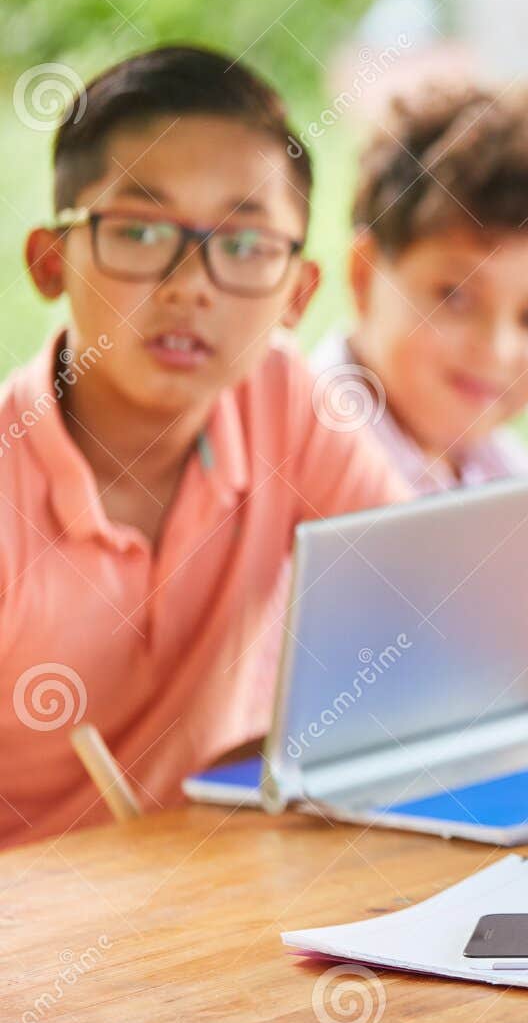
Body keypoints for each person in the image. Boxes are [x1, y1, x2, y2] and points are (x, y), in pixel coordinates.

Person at [0, 46, 408, 849]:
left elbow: (427, 611)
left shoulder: (285, 405)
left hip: (225, 880)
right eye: (140, 230)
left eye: (246, 244)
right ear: (50, 262)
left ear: (298, 293)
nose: (190, 283)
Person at [316, 81, 528, 492]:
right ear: (363, 275)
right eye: (455, 297)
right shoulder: (300, 454)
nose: (496, 349)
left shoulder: (508, 471)